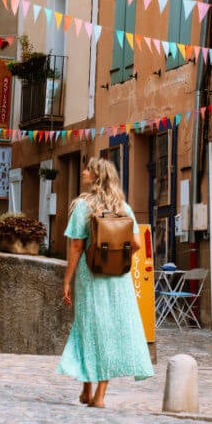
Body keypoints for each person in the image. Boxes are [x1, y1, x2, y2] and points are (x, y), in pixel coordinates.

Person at [58, 156, 154, 407]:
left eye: (88, 169)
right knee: (110, 333)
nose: (83, 172)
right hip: (117, 279)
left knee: (88, 330)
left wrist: (67, 280)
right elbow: (136, 244)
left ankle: (87, 389)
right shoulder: (124, 207)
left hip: (90, 277)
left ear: (97, 176)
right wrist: (116, 257)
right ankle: (99, 395)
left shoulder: (83, 206)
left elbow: (77, 246)